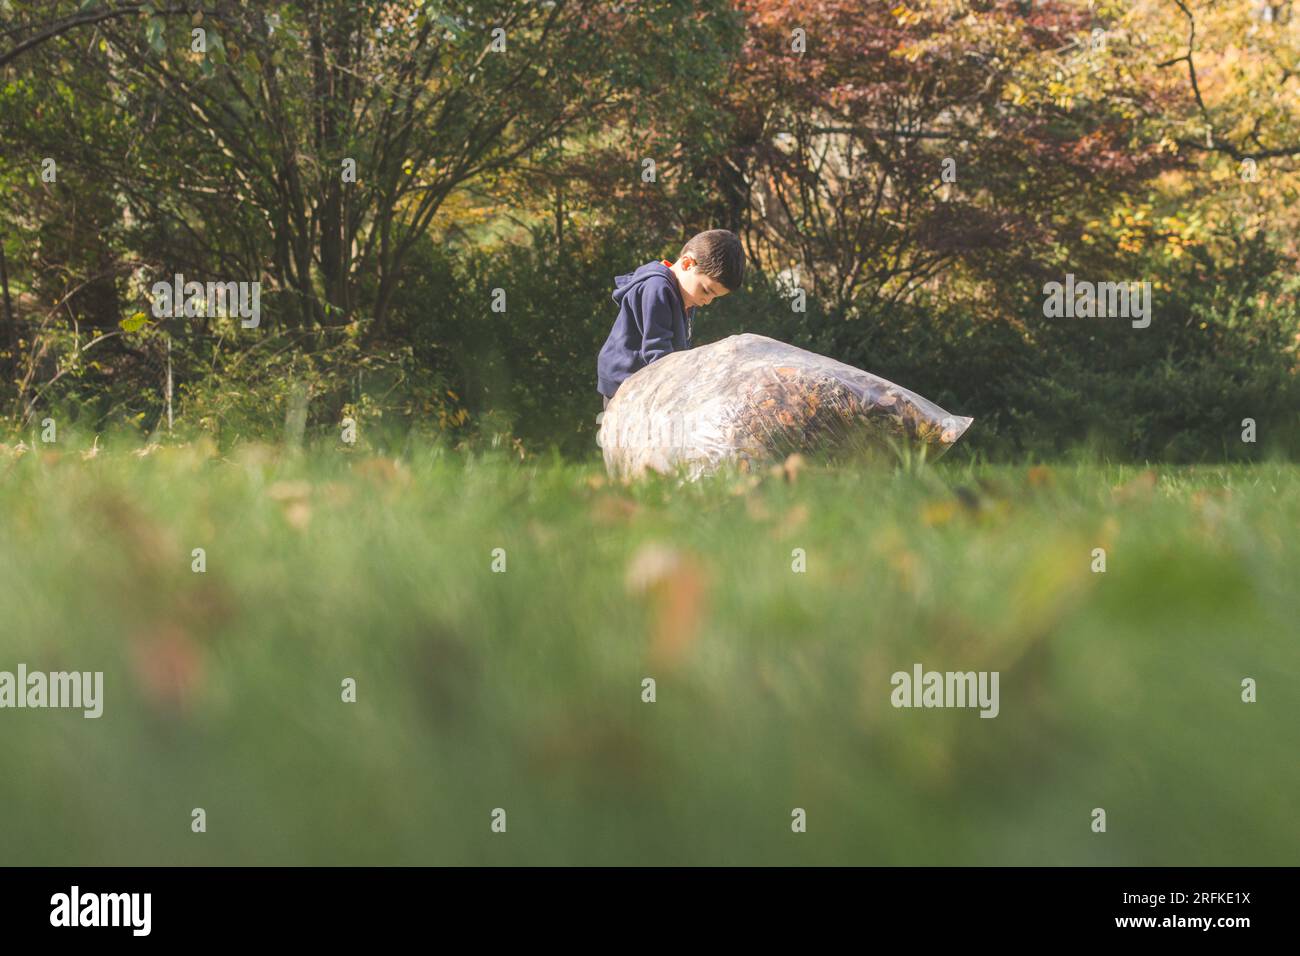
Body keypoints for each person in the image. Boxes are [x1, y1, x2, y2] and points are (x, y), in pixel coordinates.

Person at [596, 229, 744, 411]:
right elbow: (657, 352)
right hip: (625, 386)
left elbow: (678, 350)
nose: (708, 301)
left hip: (649, 383)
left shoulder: (686, 295)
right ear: (688, 263)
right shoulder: (657, 288)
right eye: (706, 290)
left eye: (715, 297)